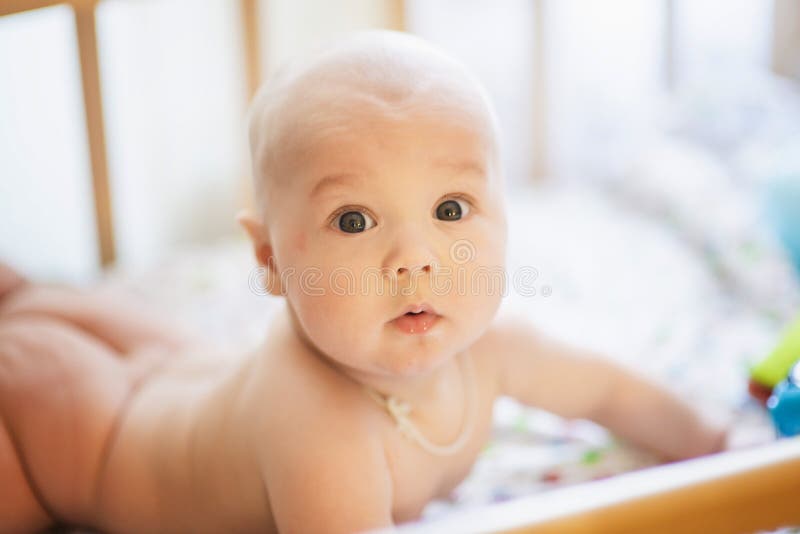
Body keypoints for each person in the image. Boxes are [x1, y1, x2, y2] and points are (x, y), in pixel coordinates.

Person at [0, 30, 725, 533]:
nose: (415, 259)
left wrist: (717, 447)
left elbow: (609, 390)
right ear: (270, 261)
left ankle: (27, 299)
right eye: (354, 221)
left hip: (173, 368)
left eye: (450, 209)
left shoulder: (493, 346)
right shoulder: (319, 427)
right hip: (91, 436)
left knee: (71, 318)